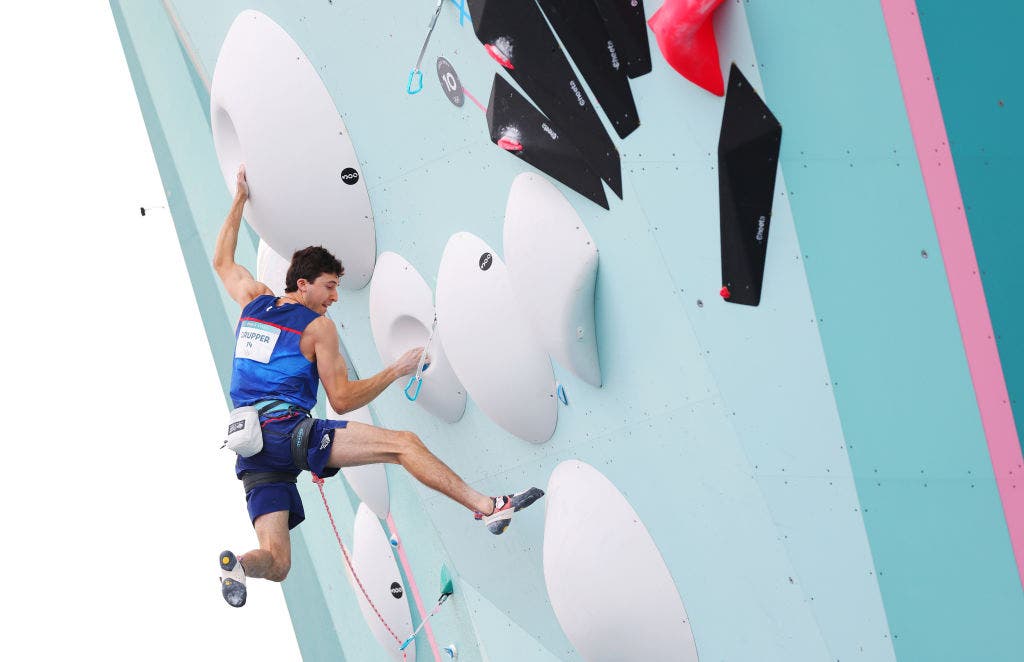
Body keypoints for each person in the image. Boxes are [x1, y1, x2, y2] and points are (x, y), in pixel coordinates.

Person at [213, 165, 543, 607]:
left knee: (276, 562)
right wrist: (396, 369)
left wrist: (239, 199)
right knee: (403, 444)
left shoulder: (254, 300)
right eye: (329, 287)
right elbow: (343, 400)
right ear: (303, 283)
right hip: (285, 434)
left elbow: (222, 261)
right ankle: (487, 507)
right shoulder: (316, 329)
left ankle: (237, 564)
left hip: (250, 449)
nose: (333, 298)